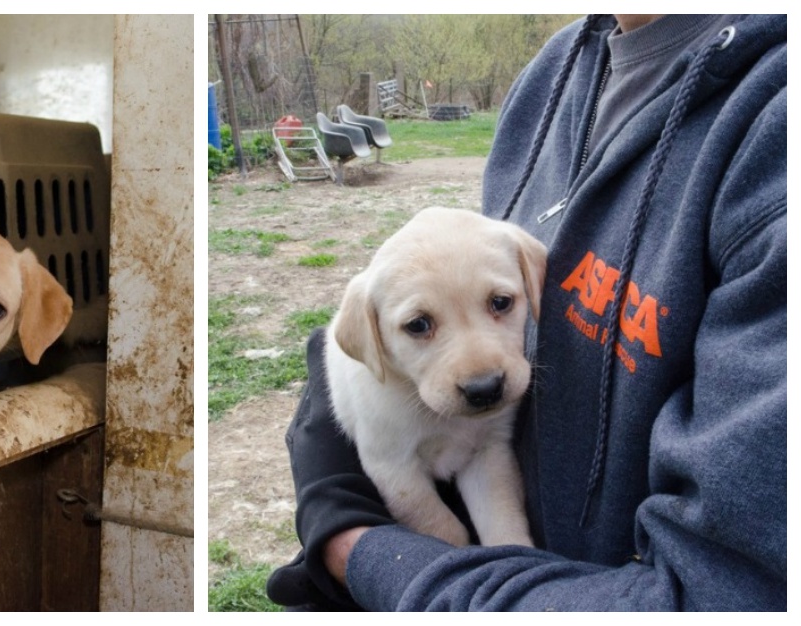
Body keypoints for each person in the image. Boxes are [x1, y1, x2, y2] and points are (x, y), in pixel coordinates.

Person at [266, 14, 785, 611]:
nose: (481, 362)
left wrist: (354, 547)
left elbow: (716, 599)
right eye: (419, 327)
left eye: (501, 305)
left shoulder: (772, 135)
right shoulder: (553, 71)